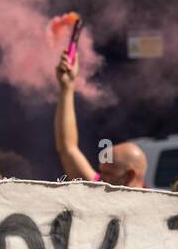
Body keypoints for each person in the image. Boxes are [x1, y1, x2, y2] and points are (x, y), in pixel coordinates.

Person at [54, 55, 147, 187]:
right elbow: (68, 147)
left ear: (129, 175)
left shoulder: (152, 206)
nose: (100, 179)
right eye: (101, 173)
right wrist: (67, 87)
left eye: (108, 174)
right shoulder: (100, 191)